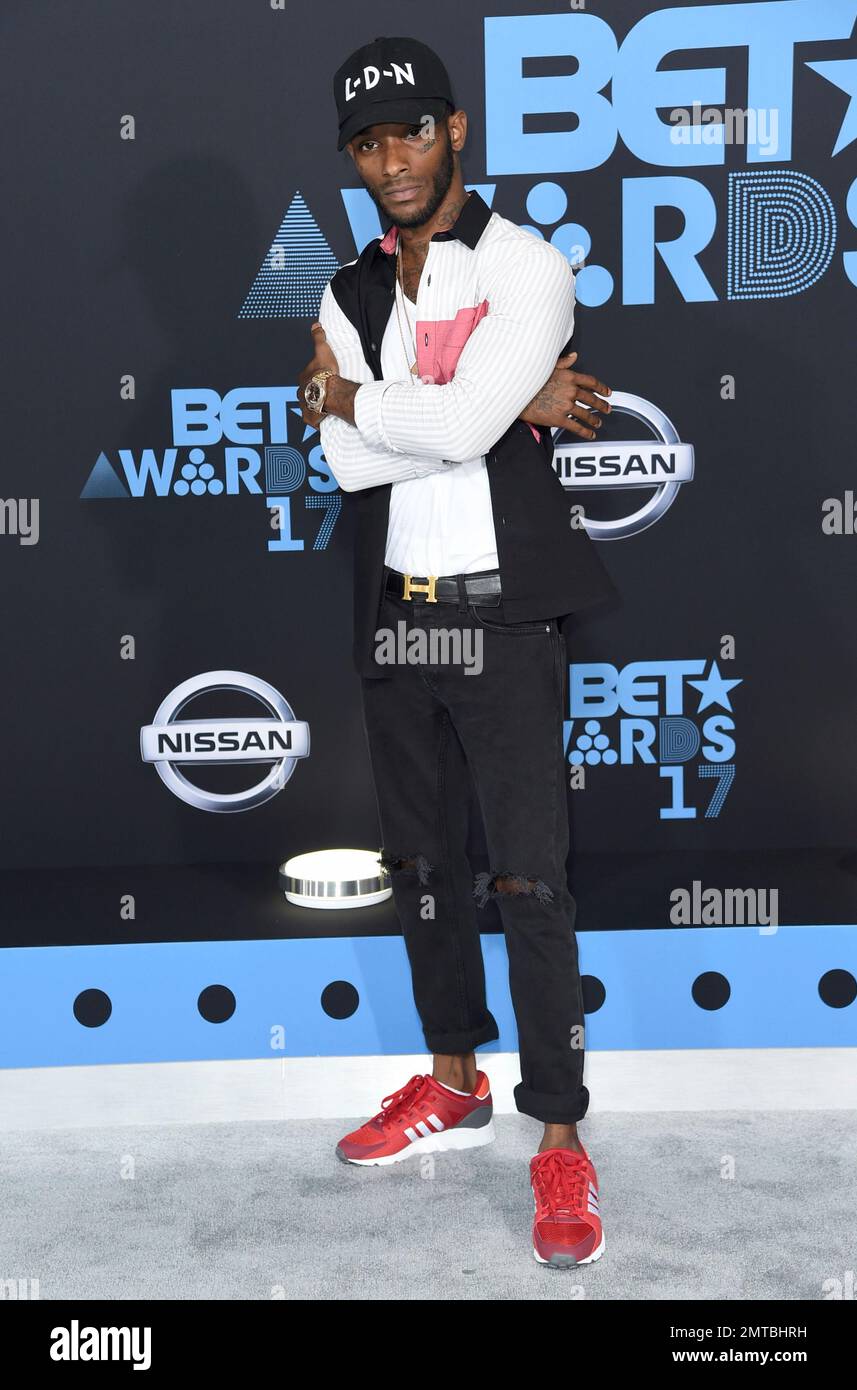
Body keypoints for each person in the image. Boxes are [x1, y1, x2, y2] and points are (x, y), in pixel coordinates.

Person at [297, 34, 617, 1268]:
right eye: (369, 144)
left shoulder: (528, 266)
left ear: (457, 133)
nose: (391, 162)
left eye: (411, 135)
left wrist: (364, 400)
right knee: (425, 866)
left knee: (528, 881)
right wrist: (479, 411)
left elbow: (459, 420)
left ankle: (557, 1140)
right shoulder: (343, 290)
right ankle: (452, 1081)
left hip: (499, 612)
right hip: (395, 609)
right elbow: (355, 464)